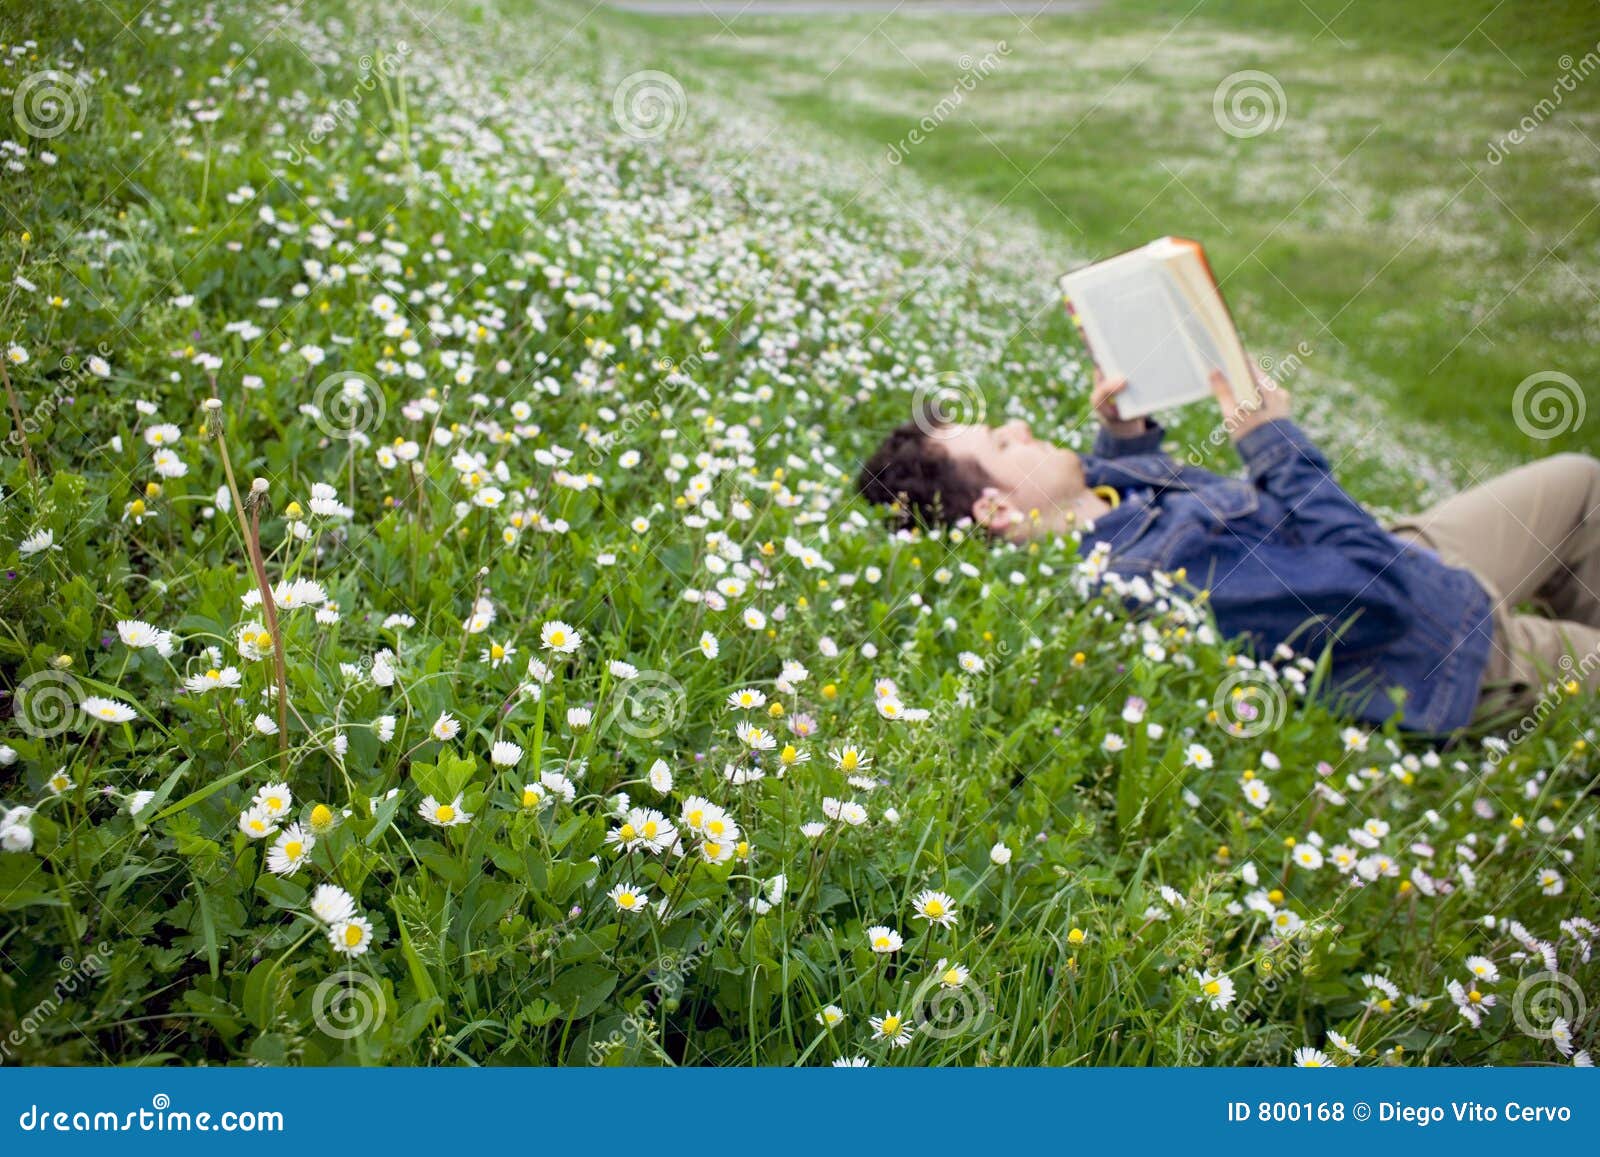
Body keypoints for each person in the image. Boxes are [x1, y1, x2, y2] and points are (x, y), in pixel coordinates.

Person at [857, 368, 1600, 733]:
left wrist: (1124, 434)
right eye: (1000, 443)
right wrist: (1270, 439)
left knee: (1580, 483)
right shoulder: (1151, 579)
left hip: (1411, 551)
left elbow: (1122, 498)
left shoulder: (1092, 511)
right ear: (995, 509)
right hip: (1445, 646)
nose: (1019, 425)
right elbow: (1370, 587)